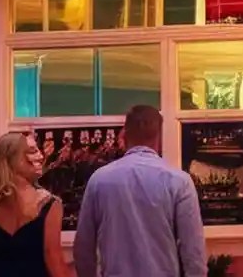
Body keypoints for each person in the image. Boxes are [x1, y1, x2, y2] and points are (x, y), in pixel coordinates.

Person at [74, 105, 206, 277]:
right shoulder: (179, 182)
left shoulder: (99, 180)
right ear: (159, 137)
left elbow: (83, 249)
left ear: (124, 134)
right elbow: (193, 252)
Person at [0, 131, 73, 277]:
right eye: (31, 152)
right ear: (13, 161)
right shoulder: (49, 205)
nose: (40, 157)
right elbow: (55, 263)